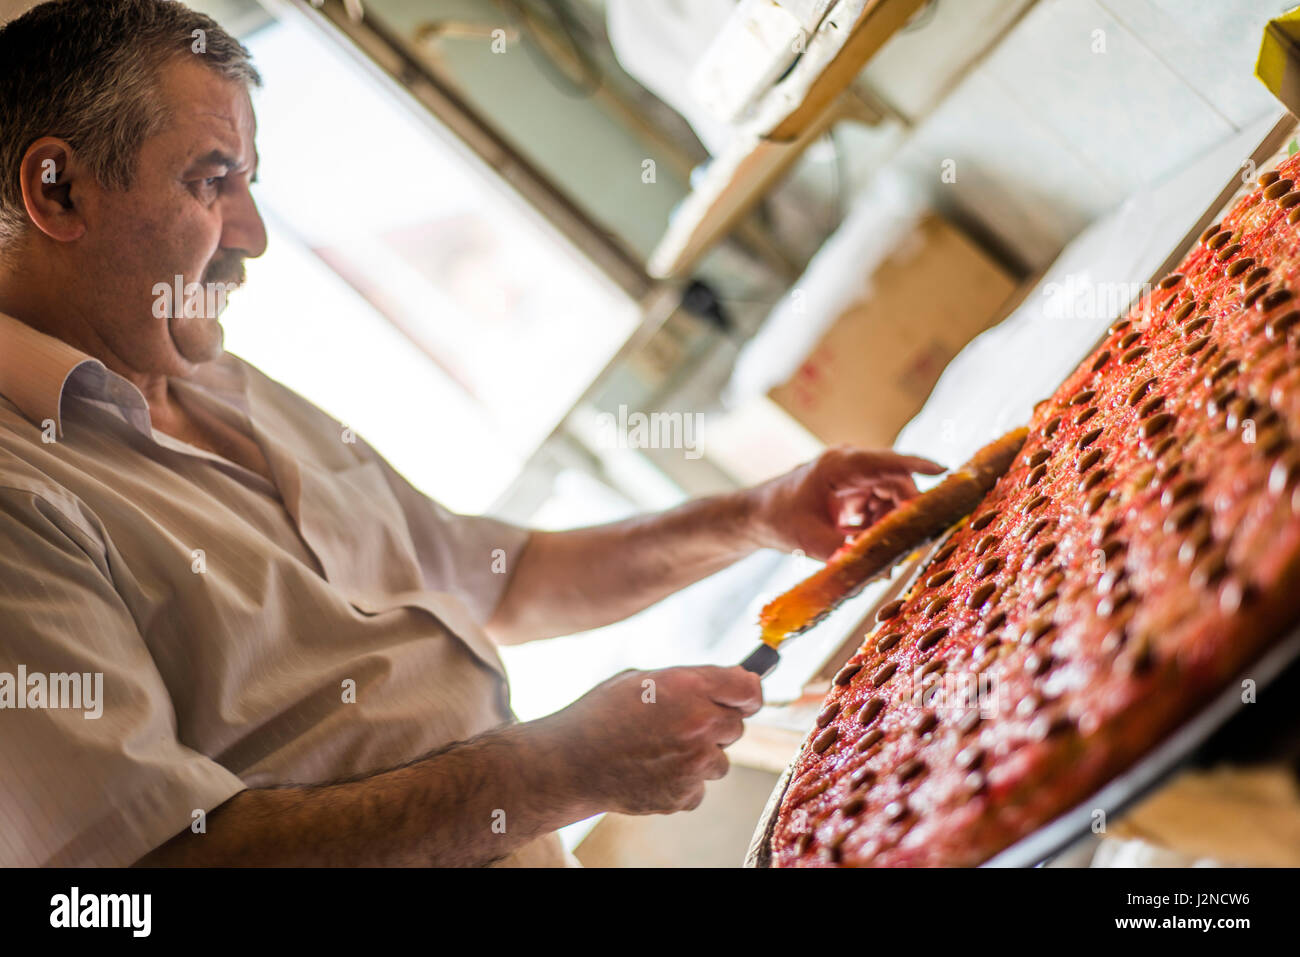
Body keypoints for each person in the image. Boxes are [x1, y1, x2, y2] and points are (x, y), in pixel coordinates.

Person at [0, 0, 943, 867]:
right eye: (211, 182)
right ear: (58, 190)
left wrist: (756, 516)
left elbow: (501, 579)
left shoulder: (212, 373)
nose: (253, 234)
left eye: (249, 183)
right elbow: (138, 885)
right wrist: (558, 771)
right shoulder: (17, 498)